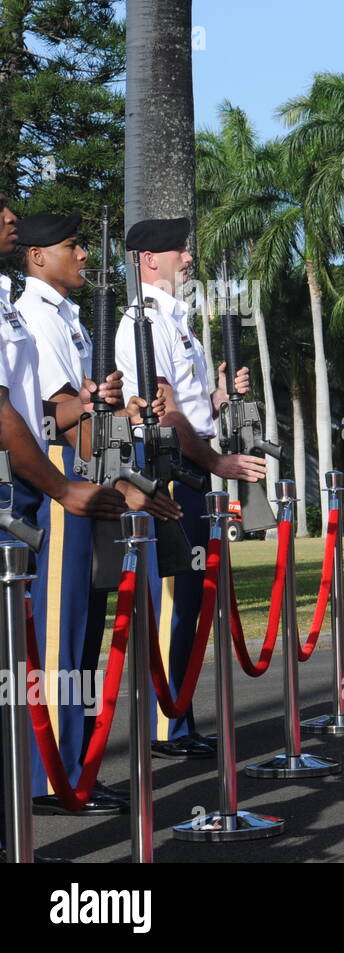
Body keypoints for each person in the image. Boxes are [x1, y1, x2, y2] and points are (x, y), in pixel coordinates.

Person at [0, 203, 130, 842]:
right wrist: (72, 479)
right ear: (37, 257)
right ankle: (50, 775)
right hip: (43, 480)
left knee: (78, 634)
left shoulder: (61, 315)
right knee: (52, 638)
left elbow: (67, 405)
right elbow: (47, 412)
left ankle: (68, 767)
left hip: (56, 476)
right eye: (74, 245)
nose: (83, 255)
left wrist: (112, 408)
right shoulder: (34, 314)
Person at [117, 217, 264, 757]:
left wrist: (221, 393)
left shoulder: (176, 322)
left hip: (191, 460)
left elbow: (194, 408)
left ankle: (178, 716)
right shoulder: (143, 322)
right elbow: (169, 414)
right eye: (179, 249)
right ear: (149, 260)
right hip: (173, 466)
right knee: (175, 597)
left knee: (191, 604)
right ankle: (166, 722)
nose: (189, 256)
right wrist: (218, 462)